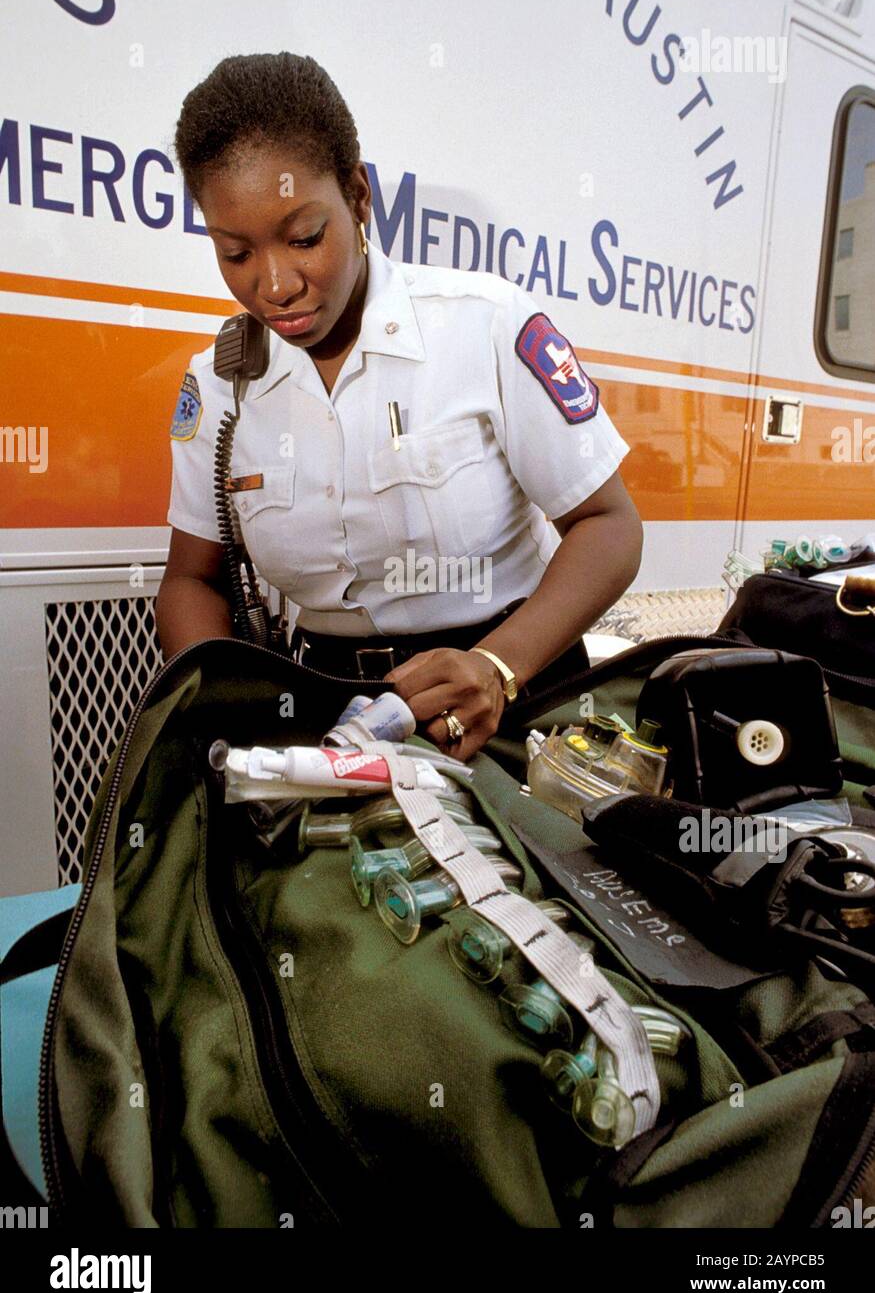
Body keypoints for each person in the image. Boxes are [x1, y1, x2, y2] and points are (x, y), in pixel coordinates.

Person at [155, 52, 643, 762]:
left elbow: (608, 526)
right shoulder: (222, 382)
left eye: (303, 238)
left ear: (357, 197)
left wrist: (499, 666)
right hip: (320, 713)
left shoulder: (483, 325)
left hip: (512, 702)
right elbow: (188, 579)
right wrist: (233, 712)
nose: (275, 284)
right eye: (236, 253)